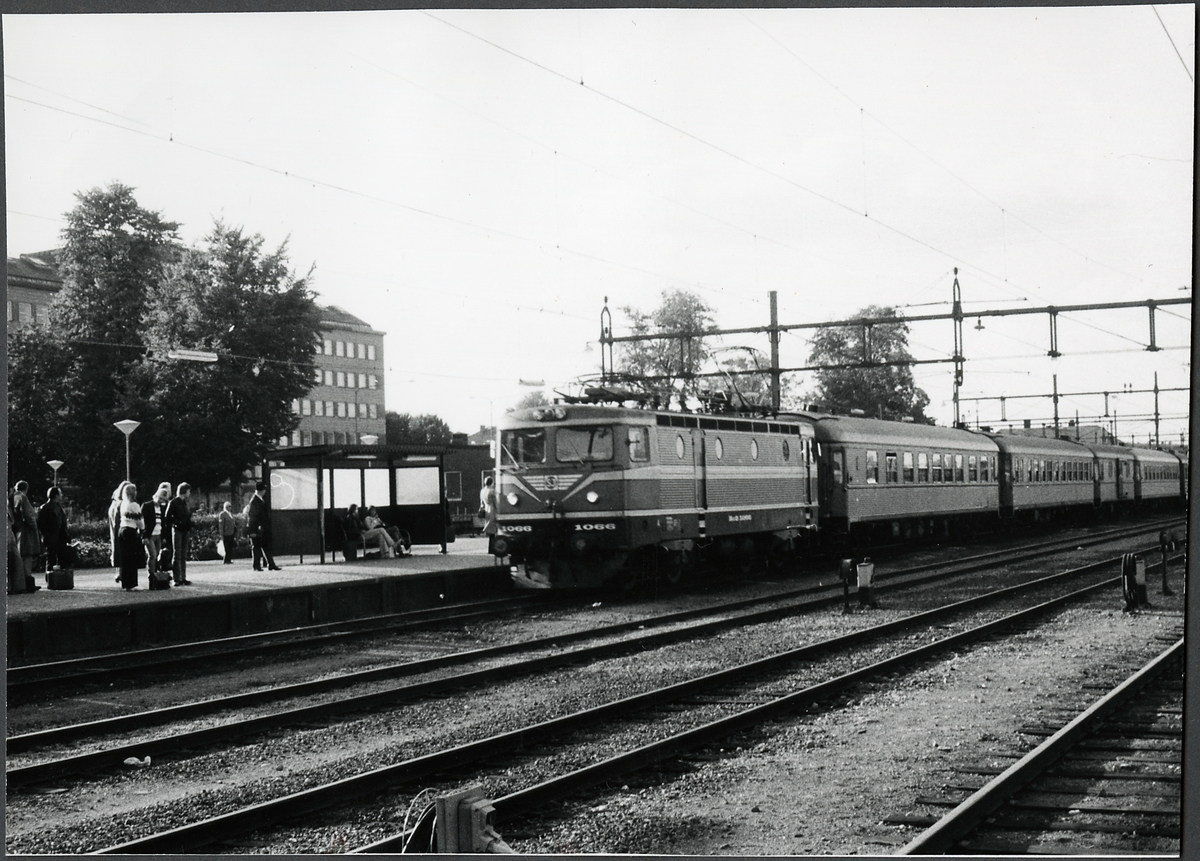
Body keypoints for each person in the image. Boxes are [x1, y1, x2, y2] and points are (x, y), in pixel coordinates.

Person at [8, 484, 40, 593]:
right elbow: (28, 514)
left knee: (20, 555)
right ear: (26, 488)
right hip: (26, 530)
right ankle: (28, 582)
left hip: (16, 530)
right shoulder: (23, 497)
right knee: (28, 555)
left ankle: (21, 583)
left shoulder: (11, 497)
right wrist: (34, 526)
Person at [245, 481, 281, 571]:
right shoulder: (255, 501)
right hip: (257, 528)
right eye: (264, 489)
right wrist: (253, 530)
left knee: (265, 545)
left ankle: (270, 564)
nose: (265, 491)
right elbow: (252, 516)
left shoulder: (258, 499)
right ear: (261, 490)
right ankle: (256, 565)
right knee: (257, 546)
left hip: (261, 527)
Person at [142, 482, 172, 586]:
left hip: (158, 535)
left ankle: (156, 576)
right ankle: (152, 575)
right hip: (150, 535)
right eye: (160, 499)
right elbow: (143, 522)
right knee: (153, 555)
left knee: (157, 555)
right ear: (156, 496)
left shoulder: (162, 508)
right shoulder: (147, 506)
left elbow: (163, 522)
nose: (161, 502)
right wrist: (144, 536)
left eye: (163, 501)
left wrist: (163, 536)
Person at [117, 483, 145, 591]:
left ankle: (125, 583)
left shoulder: (123, 503)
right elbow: (139, 520)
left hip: (122, 529)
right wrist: (143, 530)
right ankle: (131, 583)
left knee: (125, 558)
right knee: (132, 558)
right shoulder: (134, 505)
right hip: (130, 530)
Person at [164, 482, 193, 585]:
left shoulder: (184, 503)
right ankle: (177, 578)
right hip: (177, 530)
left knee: (183, 554)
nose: (189, 493)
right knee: (177, 554)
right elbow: (167, 517)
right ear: (184, 491)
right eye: (188, 491)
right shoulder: (174, 502)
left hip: (185, 530)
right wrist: (177, 522)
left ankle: (183, 577)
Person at [37, 486, 69, 573]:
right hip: (51, 537)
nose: (61, 495)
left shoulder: (58, 507)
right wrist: (46, 535)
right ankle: (51, 580)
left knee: (62, 558)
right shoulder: (45, 508)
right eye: (60, 493)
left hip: (60, 537)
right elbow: (41, 524)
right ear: (56, 495)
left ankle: (61, 580)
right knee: (51, 559)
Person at [108, 480, 132, 575]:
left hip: (115, 530)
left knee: (117, 550)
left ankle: (118, 572)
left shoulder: (114, 503)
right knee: (122, 551)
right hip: (121, 529)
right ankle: (121, 573)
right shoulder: (121, 504)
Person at [480, 475, 498, 554]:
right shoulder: (492, 491)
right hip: (492, 509)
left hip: (486, 509)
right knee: (494, 530)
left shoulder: (483, 491)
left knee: (490, 531)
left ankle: (490, 549)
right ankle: (493, 548)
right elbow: (496, 502)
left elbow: (481, 502)